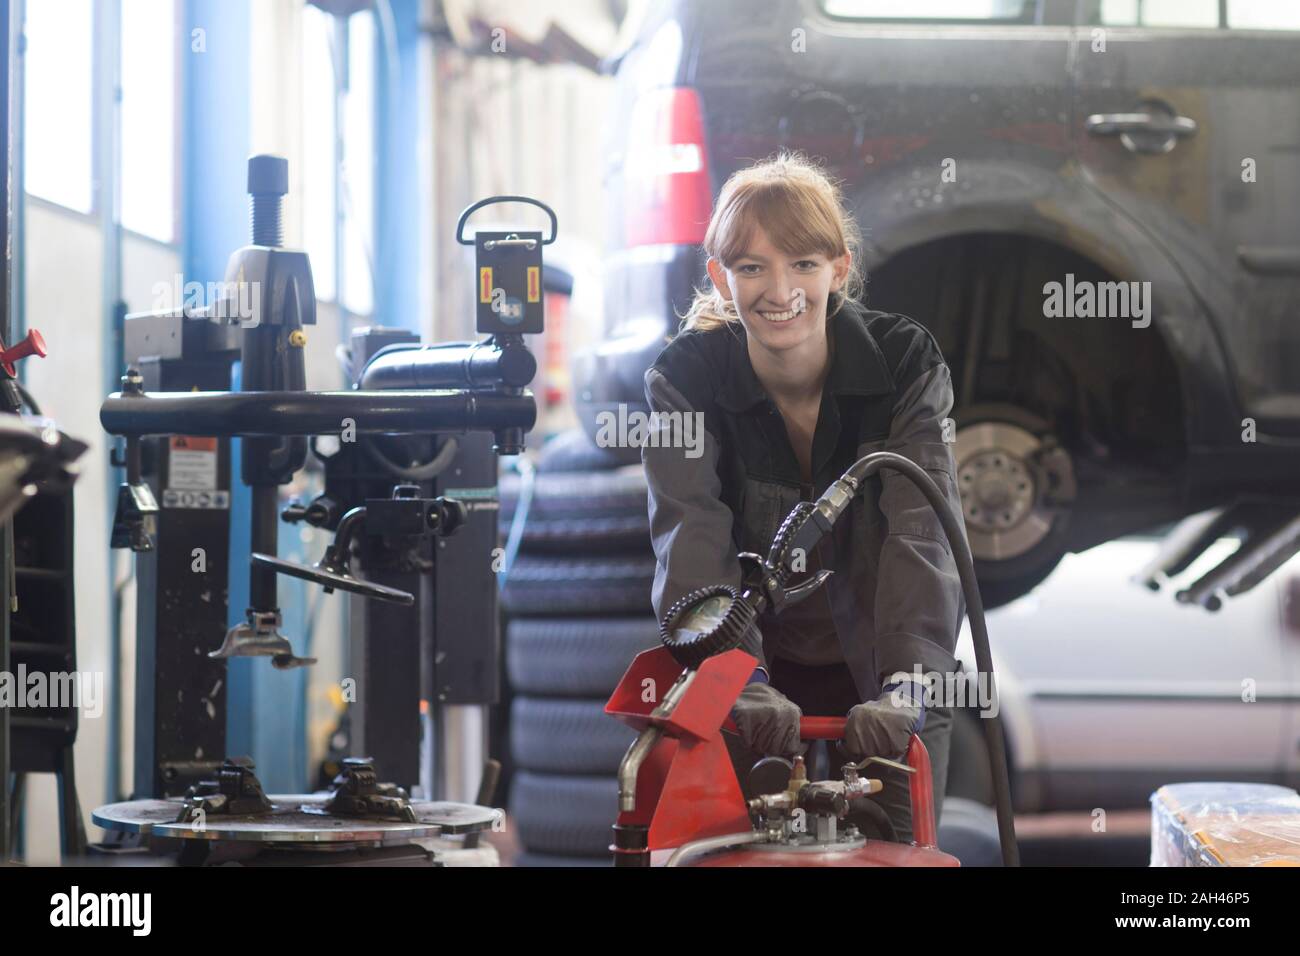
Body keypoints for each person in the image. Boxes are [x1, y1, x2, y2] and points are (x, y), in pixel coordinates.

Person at [641, 151, 969, 843]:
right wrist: (735, 678)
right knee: (728, 852)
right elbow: (690, 535)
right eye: (752, 267)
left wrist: (909, 684)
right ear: (721, 279)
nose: (778, 288)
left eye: (803, 264)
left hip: (887, 666)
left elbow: (923, 531)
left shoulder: (906, 365)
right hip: (750, 672)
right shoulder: (685, 380)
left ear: (839, 269)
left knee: (898, 853)